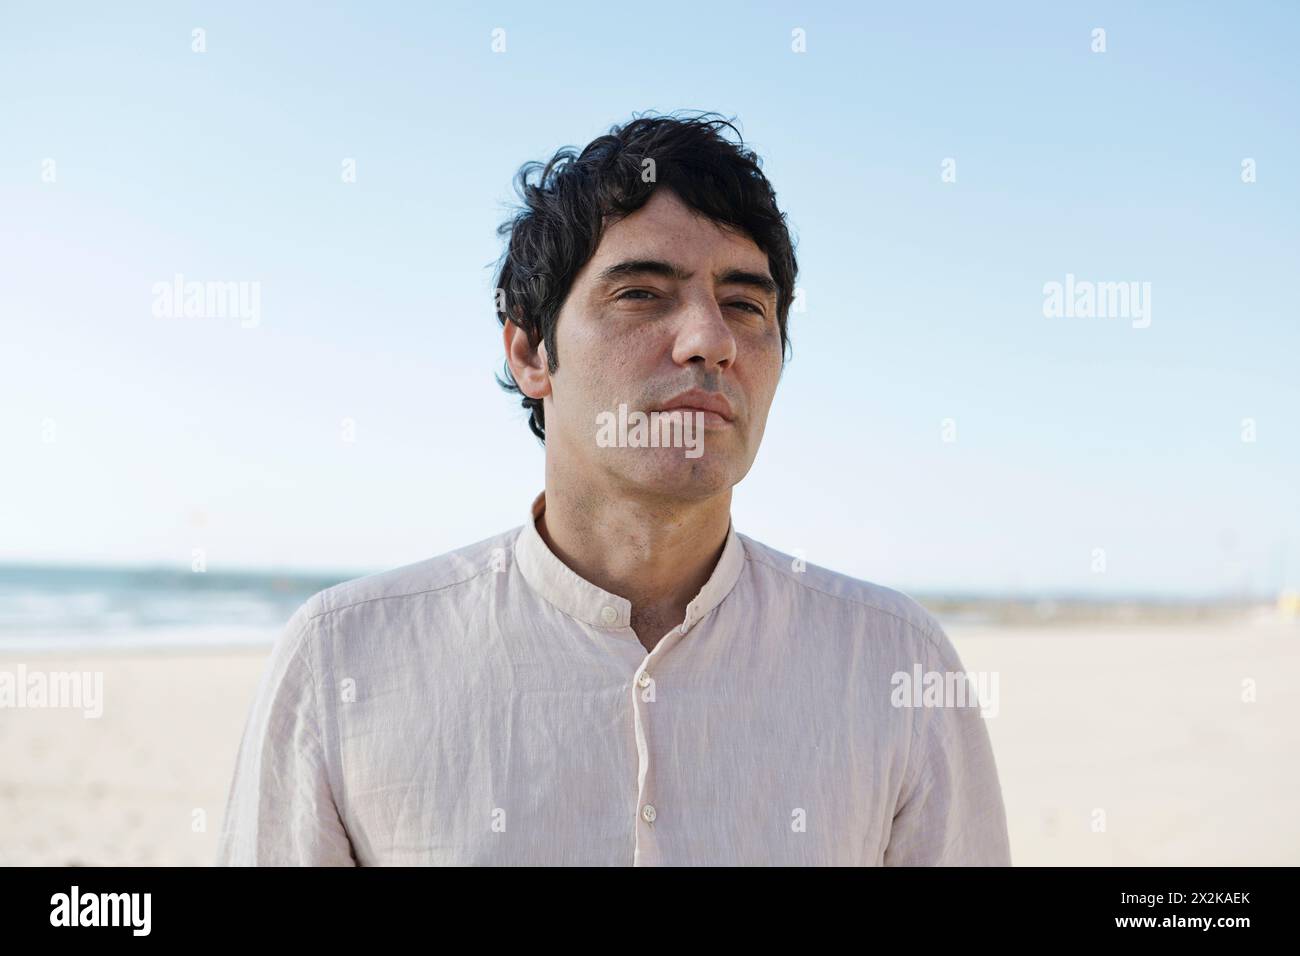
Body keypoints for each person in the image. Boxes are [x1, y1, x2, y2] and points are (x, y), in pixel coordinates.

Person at [215, 112, 1011, 866]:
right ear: (531, 351)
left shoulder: (894, 667)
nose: (710, 340)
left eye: (745, 304)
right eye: (641, 294)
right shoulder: (343, 663)